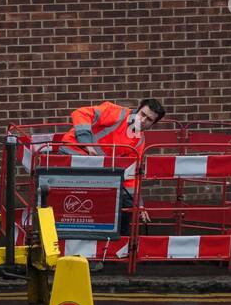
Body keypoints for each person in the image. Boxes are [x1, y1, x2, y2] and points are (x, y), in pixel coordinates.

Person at [59, 99, 166, 233]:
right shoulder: (117, 113)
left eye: (149, 119)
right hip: (72, 152)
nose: (143, 120)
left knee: (125, 204)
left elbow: (130, 176)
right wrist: (87, 144)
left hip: (96, 168)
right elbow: (80, 113)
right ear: (137, 110)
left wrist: (138, 204)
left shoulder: (138, 143)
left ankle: (122, 242)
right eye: (142, 114)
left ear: (153, 124)